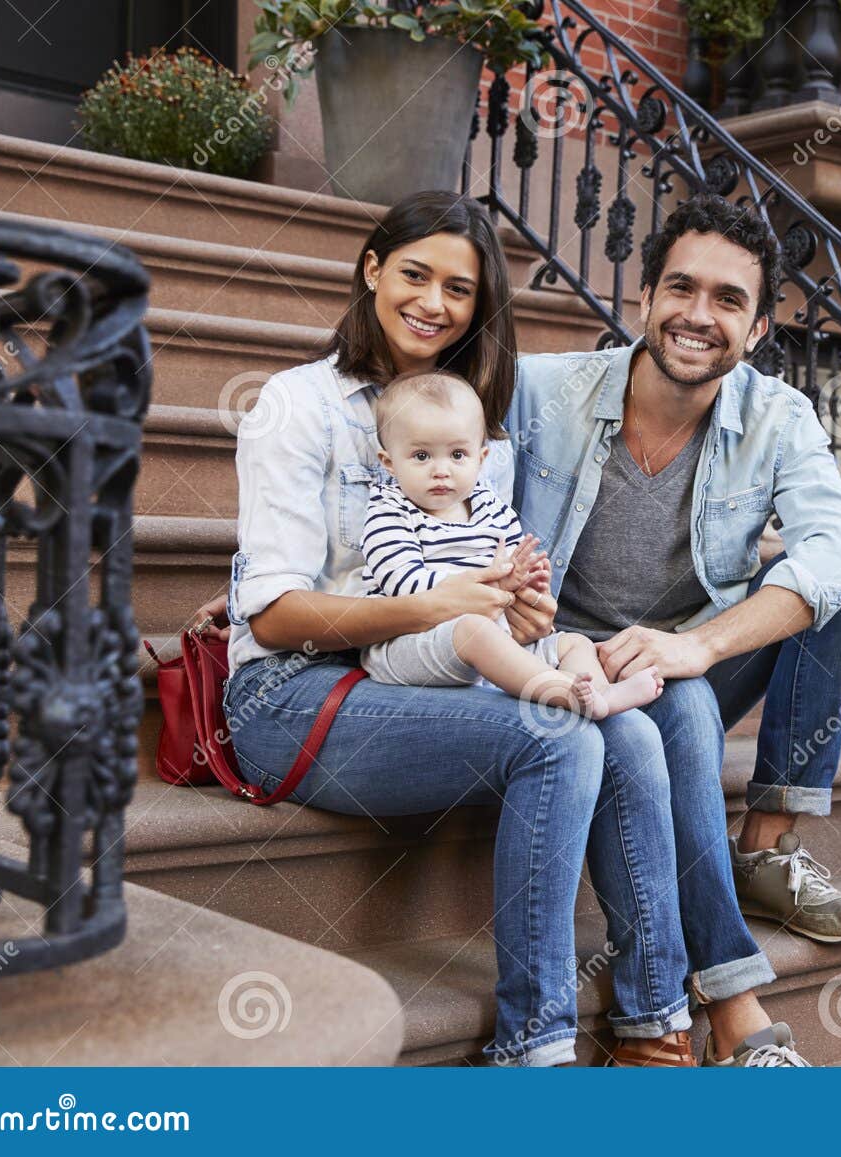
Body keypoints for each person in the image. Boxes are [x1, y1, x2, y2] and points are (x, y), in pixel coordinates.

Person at [204, 191, 694, 1066]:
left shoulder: (477, 429)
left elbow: (480, 576)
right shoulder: (295, 404)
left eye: (459, 289)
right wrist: (444, 607)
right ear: (371, 271)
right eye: (415, 275)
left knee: (630, 730)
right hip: (294, 696)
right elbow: (275, 616)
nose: (434, 302)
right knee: (559, 739)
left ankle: (655, 1019)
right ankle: (535, 1047)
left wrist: (521, 608)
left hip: (428, 677)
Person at [510, 193, 841, 1065]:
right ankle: (735, 1009)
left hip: (682, 659)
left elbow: (837, 552)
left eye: (729, 301)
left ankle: (767, 844)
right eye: (682, 288)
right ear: (643, 300)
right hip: (563, 664)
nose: (698, 316)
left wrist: (700, 645)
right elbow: (408, 468)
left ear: (756, 332)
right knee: (673, 713)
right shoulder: (539, 392)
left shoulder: (776, 414)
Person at [358, 369, 664, 718]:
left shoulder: (491, 507)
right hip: (410, 643)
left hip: (496, 635)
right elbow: (402, 583)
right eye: (422, 456)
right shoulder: (389, 510)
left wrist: (526, 579)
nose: (441, 470)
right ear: (389, 462)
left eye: (457, 455)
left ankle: (600, 694)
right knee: (474, 630)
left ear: (481, 459)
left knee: (574, 643)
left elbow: (511, 566)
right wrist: (490, 583)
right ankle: (565, 694)